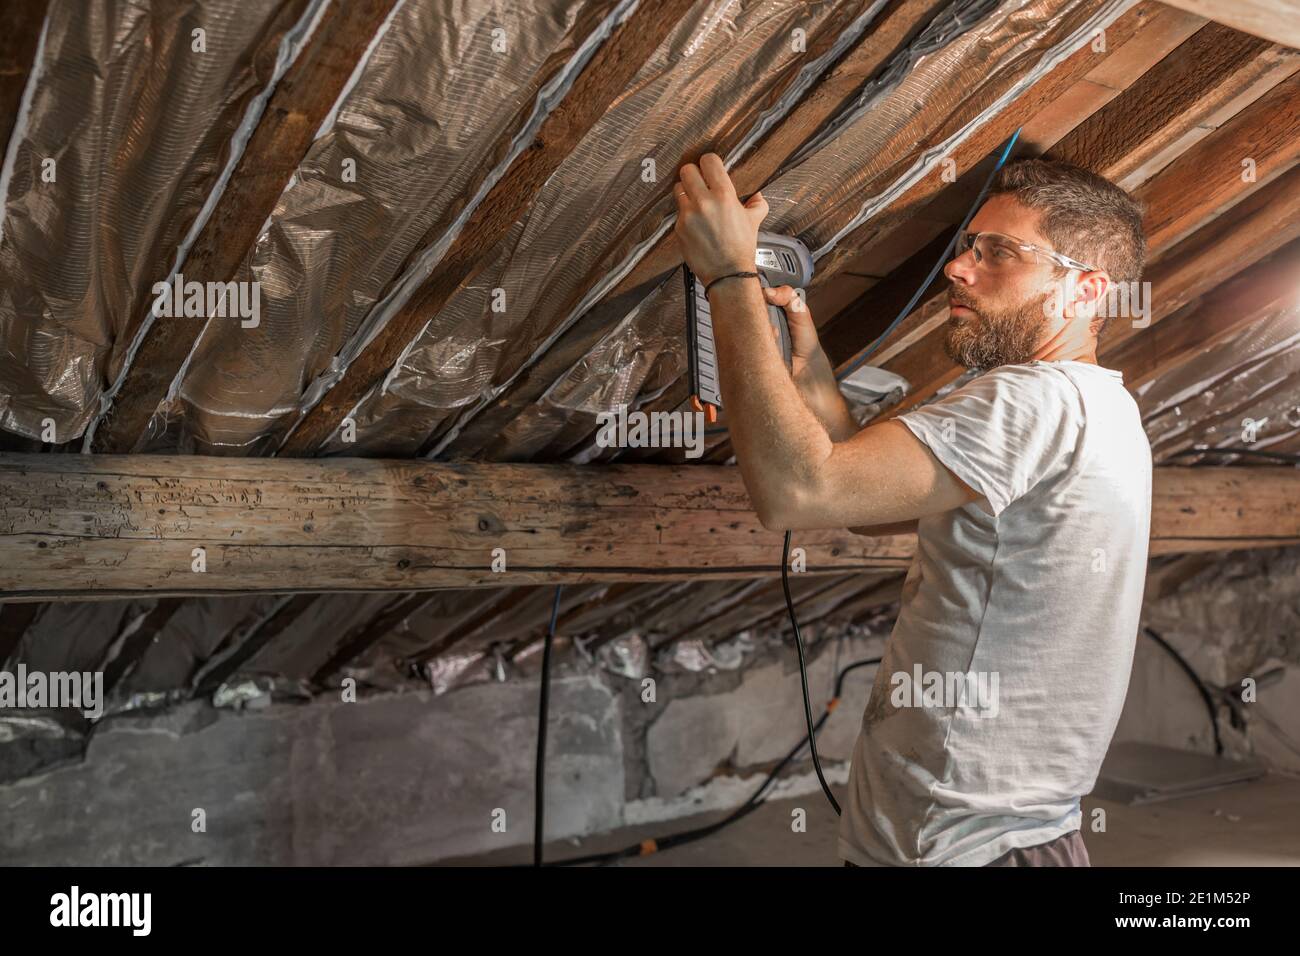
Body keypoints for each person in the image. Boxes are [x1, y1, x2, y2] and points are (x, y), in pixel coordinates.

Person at [671, 154, 1151, 867]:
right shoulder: (1101, 406)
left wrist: (729, 277)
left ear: (1084, 290)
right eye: (969, 246)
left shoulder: (1028, 399)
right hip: (1022, 834)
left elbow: (796, 494)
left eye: (999, 253)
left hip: (957, 846)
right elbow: (863, 503)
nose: (958, 268)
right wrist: (812, 379)